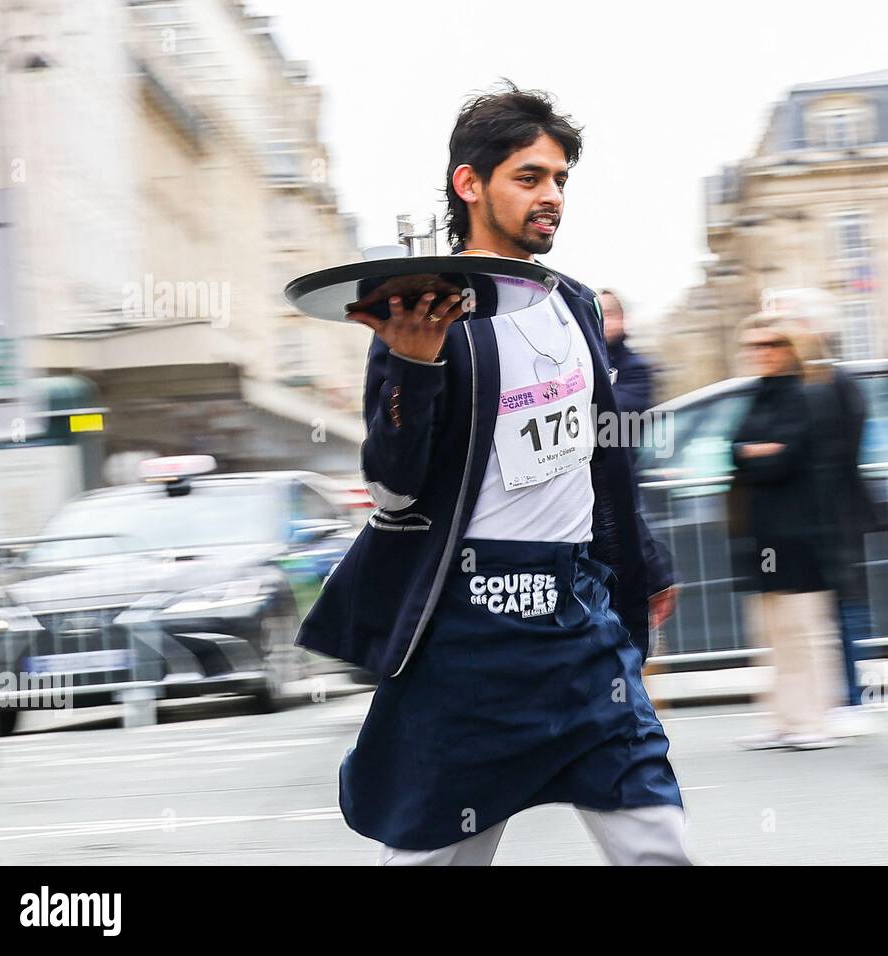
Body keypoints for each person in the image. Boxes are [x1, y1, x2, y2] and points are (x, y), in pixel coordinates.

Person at [297, 85, 691, 865]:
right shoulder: (424, 310)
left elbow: (602, 453)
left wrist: (641, 562)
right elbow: (393, 488)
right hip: (469, 633)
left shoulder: (576, 303)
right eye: (529, 177)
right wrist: (411, 366)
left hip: (580, 625)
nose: (551, 196)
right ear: (469, 184)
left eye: (560, 180)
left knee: (659, 844)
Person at [729, 314, 839, 750]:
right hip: (762, 529)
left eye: (771, 344)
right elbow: (736, 449)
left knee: (803, 630)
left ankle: (815, 721)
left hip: (801, 528)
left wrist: (756, 452)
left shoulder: (805, 395)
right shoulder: (758, 395)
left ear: (790, 348)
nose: (763, 352)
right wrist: (756, 451)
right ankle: (785, 718)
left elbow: (783, 457)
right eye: (755, 345)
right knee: (770, 630)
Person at [806, 361, 877, 734]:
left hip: (839, 509)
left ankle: (851, 697)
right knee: (816, 612)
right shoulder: (794, 383)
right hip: (806, 512)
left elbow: (850, 443)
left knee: (846, 606)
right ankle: (826, 699)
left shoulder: (838, 381)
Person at [597, 289, 656, 418]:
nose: (603, 323)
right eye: (598, 317)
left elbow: (611, 411)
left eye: (608, 314)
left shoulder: (637, 369)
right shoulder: (586, 362)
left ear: (621, 318)